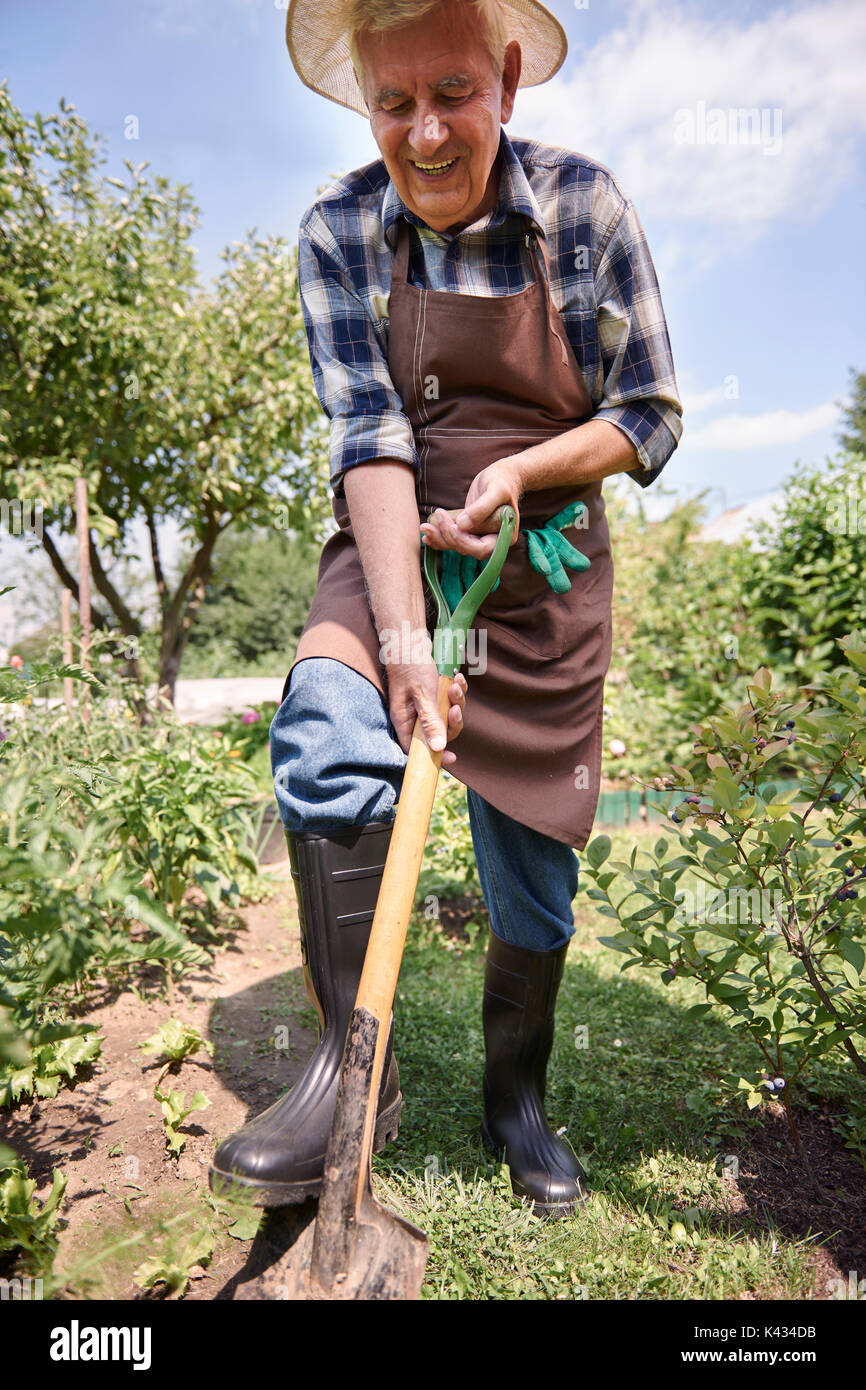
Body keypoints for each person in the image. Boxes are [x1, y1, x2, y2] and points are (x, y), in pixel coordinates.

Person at [211, 0, 682, 1218]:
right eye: (392, 102)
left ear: (508, 80)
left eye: (452, 94)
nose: (422, 133)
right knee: (324, 725)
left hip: (543, 565)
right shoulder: (335, 229)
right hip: (394, 546)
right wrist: (408, 635)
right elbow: (367, 433)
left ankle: (512, 1099)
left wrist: (525, 471)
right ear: (363, 103)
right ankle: (344, 1075)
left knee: (530, 869)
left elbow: (649, 414)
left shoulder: (584, 209)